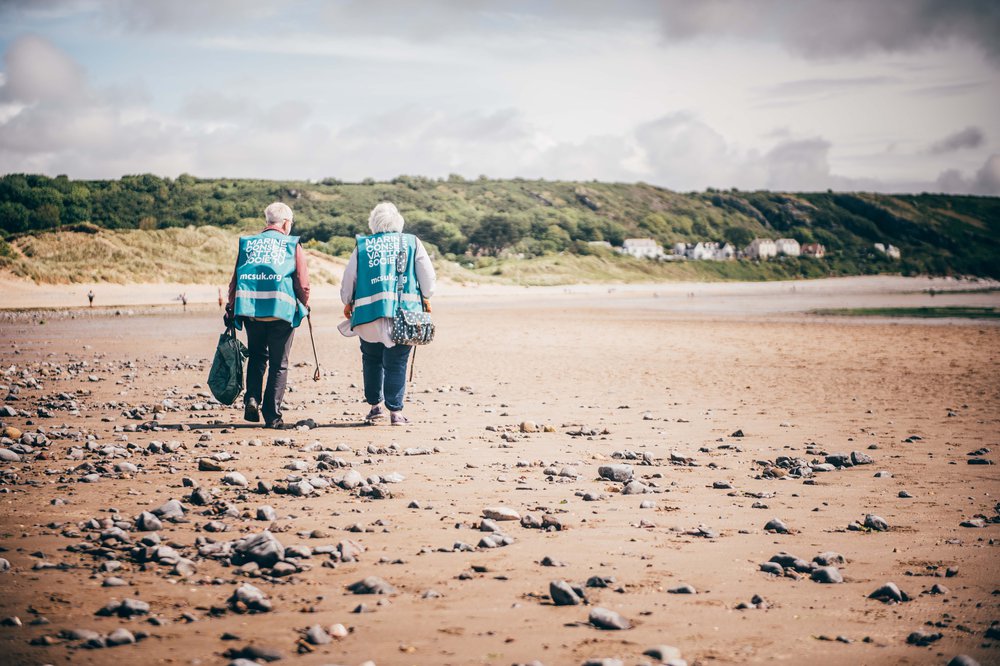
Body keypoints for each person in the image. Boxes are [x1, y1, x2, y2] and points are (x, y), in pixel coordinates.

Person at [341, 202, 435, 425]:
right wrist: (426, 295)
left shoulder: (362, 246)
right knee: (397, 362)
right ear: (399, 223)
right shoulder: (412, 242)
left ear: (373, 224)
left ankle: (375, 407)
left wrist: (347, 301)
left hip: (368, 315)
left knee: (371, 359)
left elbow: (348, 280)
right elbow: (428, 281)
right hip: (404, 315)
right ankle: (396, 412)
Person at [225, 202, 311, 429]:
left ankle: (252, 398)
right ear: (286, 223)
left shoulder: (248, 243)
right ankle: (272, 416)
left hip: (252, 313)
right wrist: (304, 304)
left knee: (256, 357)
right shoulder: (291, 244)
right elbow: (302, 282)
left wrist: (231, 306)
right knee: (279, 364)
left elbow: (235, 279)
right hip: (281, 313)